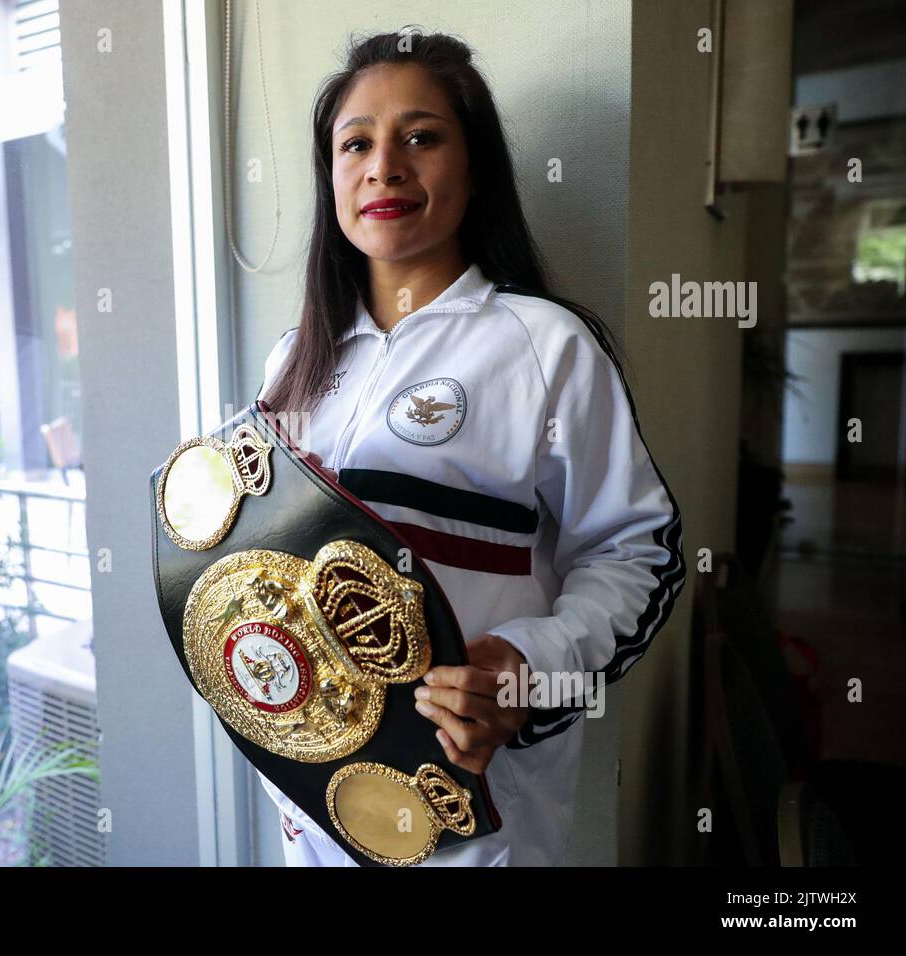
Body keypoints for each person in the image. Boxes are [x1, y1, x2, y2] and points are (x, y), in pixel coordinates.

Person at [254, 28, 685, 866]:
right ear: (332, 178)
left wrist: (529, 669)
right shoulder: (294, 359)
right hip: (311, 808)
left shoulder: (544, 344)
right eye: (356, 143)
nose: (385, 166)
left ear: (475, 167)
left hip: (472, 814)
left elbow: (640, 554)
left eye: (421, 136)